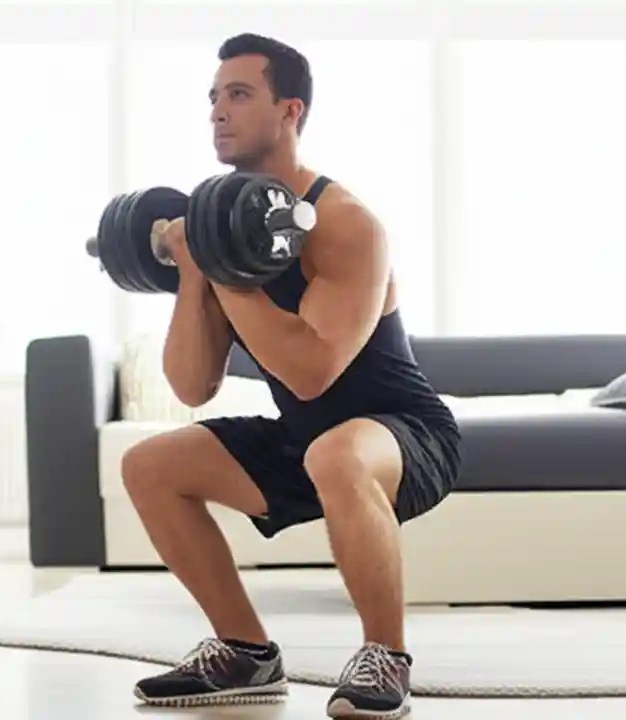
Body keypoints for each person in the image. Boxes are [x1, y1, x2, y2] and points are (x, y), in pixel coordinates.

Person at [122, 32, 460, 720]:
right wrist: (195, 272)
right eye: (213, 97)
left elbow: (311, 373)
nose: (217, 112)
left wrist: (221, 267)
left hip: (403, 435)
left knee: (336, 452)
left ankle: (385, 656)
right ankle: (244, 650)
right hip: (307, 441)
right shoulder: (220, 227)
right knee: (149, 466)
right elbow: (192, 386)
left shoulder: (346, 225)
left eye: (239, 94)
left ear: (290, 110)